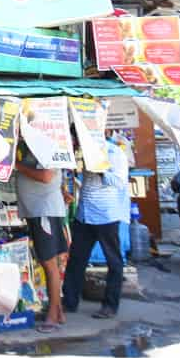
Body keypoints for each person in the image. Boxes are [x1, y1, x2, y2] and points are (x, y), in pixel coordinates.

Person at [63, 133, 131, 320]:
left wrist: (100, 169)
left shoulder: (115, 152)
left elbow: (119, 181)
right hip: (85, 214)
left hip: (106, 215)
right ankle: (69, 301)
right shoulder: (84, 151)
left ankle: (110, 305)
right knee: (77, 259)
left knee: (114, 261)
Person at [15, 138, 69, 332]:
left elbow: (46, 176)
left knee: (49, 263)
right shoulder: (37, 149)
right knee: (48, 262)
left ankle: (52, 317)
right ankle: (58, 310)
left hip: (44, 212)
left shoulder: (50, 147)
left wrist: (17, 165)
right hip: (38, 212)